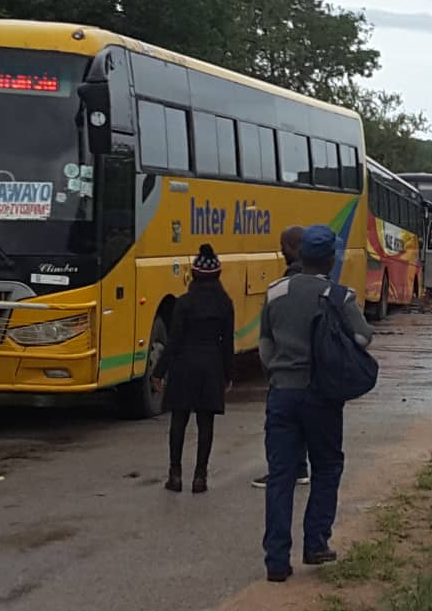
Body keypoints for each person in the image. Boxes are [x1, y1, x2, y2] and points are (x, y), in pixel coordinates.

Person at [259, 225, 374, 583]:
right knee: (326, 467)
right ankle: (316, 543)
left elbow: (265, 345)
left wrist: (280, 370)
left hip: (281, 394)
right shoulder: (339, 296)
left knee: (281, 475)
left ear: (301, 255)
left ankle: (276, 561)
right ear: (329, 259)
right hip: (322, 397)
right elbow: (363, 337)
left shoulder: (275, 292)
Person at [151, 244, 235, 495]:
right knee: (205, 423)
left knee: (179, 421)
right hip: (211, 366)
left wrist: (158, 372)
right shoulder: (225, 304)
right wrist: (228, 374)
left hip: (183, 365)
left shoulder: (184, 303)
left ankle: (175, 475)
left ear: (194, 275)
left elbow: (174, 341)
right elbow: (227, 343)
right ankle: (200, 477)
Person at [252, 226, 311, 489]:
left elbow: (266, 343)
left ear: (291, 248)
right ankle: (301, 469)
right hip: (314, 378)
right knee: (306, 426)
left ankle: (281, 473)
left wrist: (271, 371)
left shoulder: (277, 291)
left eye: (283, 246)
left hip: (284, 378)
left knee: (279, 431)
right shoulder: (325, 288)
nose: (281, 251)